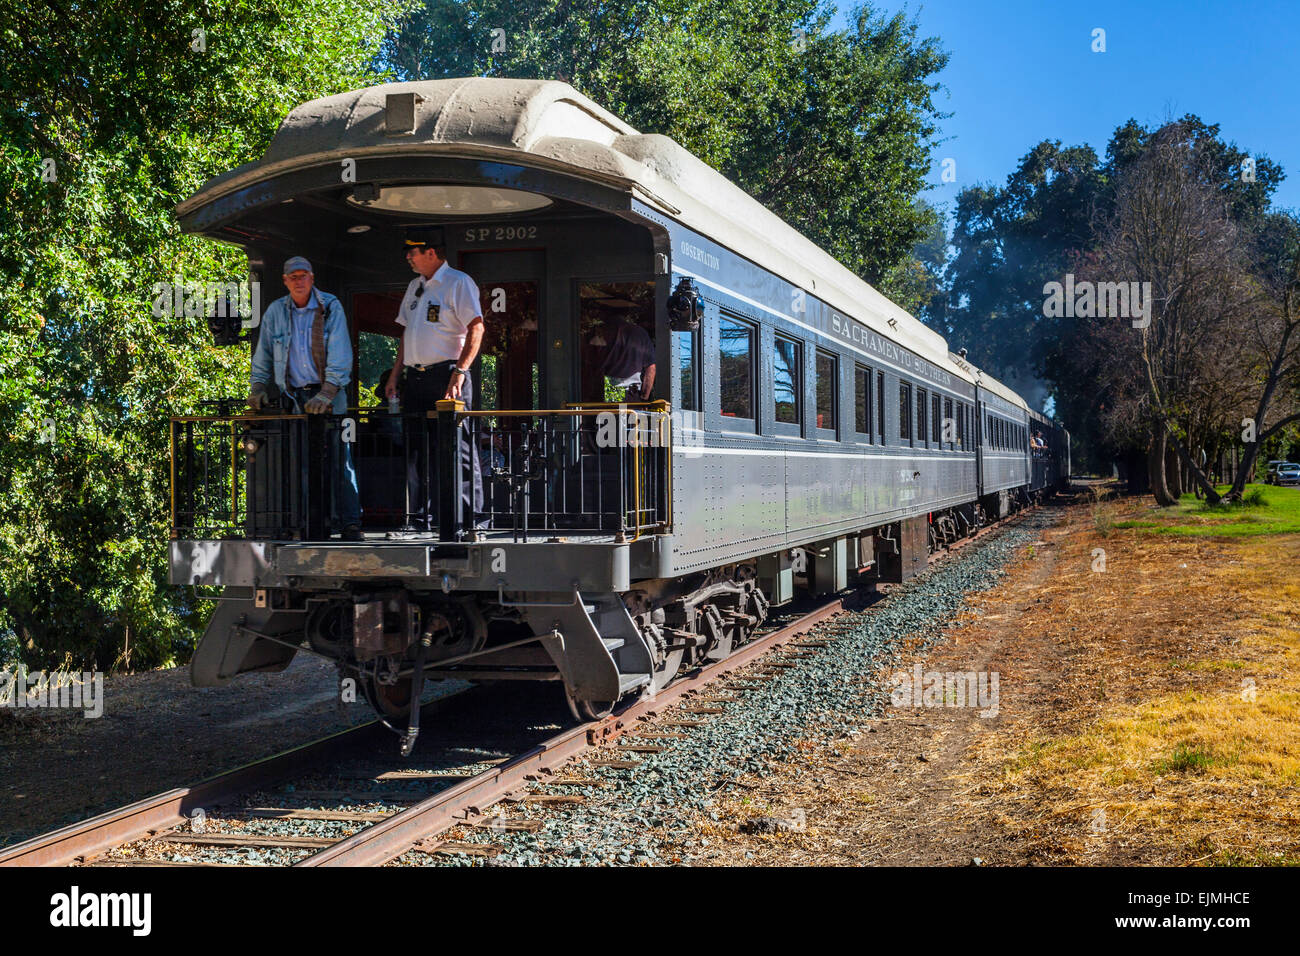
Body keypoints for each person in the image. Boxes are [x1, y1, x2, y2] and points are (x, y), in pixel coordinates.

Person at [248, 256, 361, 540]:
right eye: (293, 277)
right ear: (285, 281)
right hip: (295, 399)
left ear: (312, 278)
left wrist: (327, 392)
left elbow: (341, 353)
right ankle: (304, 524)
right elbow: (262, 355)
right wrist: (258, 387)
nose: (299, 281)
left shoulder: (330, 306)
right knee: (297, 461)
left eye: (303, 275)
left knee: (340, 460)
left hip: (330, 396)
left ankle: (349, 524)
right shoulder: (275, 311)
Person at [385, 226, 484, 533]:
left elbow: (477, 328)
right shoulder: (415, 285)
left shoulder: (458, 282)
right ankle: (419, 519)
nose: (408, 258)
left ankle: (472, 521)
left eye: (412, 252)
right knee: (416, 450)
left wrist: (460, 373)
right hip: (415, 378)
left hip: (447, 375)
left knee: (459, 447)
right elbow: (407, 333)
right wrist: (395, 374)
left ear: (431, 252)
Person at [593, 307, 656, 401]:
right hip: (632, 395)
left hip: (608, 393)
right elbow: (651, 368)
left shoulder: (601, 333)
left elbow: (590, 365)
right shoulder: (640, 333)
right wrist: (644, 398)